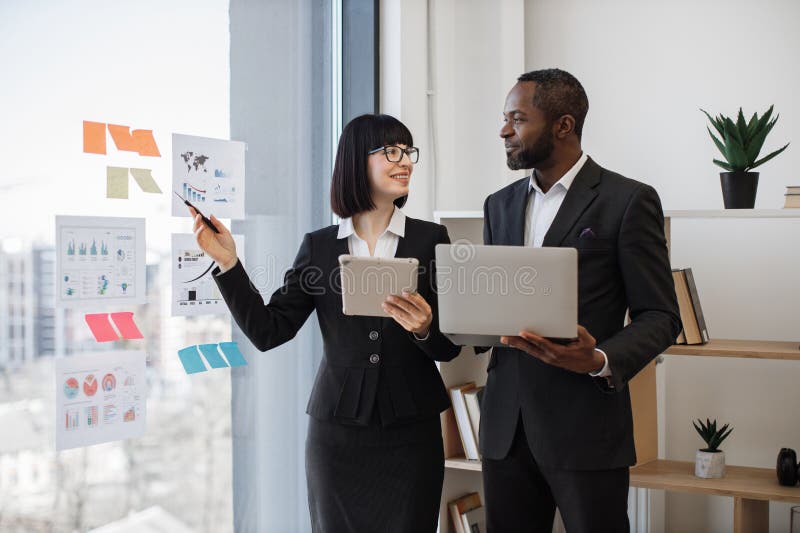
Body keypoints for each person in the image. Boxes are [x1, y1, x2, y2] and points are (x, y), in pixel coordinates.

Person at [189, 114, 460, 532]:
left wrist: (425, 328)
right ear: (356, 161)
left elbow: (449, 348)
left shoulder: (432, 239)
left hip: (412, 434)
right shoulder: (318, 246)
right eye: (392, 151)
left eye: (408, 152)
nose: (405, 161)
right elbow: (268, 330)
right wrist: (228, 263)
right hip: (337, 438)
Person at [479, 69, 681, 532]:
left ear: (563, 125)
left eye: (517, 118)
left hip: (586, 427)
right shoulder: (499, 205)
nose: (504, 131)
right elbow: (495, 309)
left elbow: (661, 315)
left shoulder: (628, 200)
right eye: (505, 119)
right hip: (504, 428)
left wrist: (601, 359)